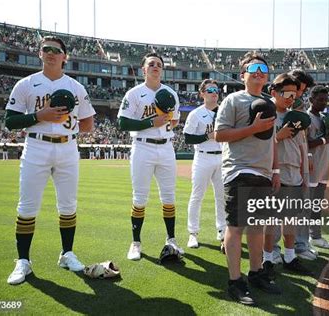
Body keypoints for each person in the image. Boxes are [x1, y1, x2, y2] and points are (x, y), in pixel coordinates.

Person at [5, 36, 96, 285]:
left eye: (56, 50)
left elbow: (89, 124)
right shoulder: (26, 84)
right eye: (46, 49)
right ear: (40, 54)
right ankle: (23, 261)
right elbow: (10, 121)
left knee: (68, 206)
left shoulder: (76, 87)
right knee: (27, 207)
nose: (51, 53)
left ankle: (67, 253)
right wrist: (39, 115)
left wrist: (72, 120)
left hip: (67, 148)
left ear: (64, 57)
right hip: (36, 145)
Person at [215, 52, 282, 306]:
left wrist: (275, 171)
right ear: (243, 75)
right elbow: (219, 135)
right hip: (239, 170)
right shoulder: (233, 100)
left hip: (263, 173)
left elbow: (273, 140)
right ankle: (235, 281)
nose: (258, 71)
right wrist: (253, 129)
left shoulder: (269, 103)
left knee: (257, 226)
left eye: (263, 68)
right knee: (236, 225)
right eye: (253, 67)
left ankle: (256, 273)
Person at [118, 52, 183, 260]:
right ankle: (135, 243)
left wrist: (166, 122)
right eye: (151, 64)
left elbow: (175, 121)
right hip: (142, 147)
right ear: (144, 69)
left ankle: (171, 240)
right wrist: (150, 123)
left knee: (169, 196)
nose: (155, 67)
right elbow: (123, 123)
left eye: (159, 65)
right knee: (140, 198)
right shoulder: (134, 93)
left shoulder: (170, 93)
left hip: (166, 147)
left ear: (162, 70)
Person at [264, 73, 312, 276]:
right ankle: (267, 258)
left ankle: (290, 256)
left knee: (290, 219)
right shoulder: (265, 113)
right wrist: (277, 136)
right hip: (274, 172)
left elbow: (301, 146)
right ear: (274, 92)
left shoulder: (297, 116)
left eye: (294, 94)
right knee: (271, 220)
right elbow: (259, 145)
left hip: (294, 173)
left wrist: (304, 176)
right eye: (286, 93)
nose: (291, 98)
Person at [183, 79, 226, 250]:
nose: (214, 92)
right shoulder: (196, 114)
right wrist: (207, 136)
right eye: (210, 90)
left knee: (222, 196)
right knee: (197, 196)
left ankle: (222, 230)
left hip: (222, 156)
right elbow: (188, 138)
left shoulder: (224, 112)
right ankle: (193, 233)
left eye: (216, 89)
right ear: (202, 93)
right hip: (203, 156)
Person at [288, 69, 320, 261]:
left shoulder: (298, 103)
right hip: (284, 157)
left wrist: (307, 153)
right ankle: (276, 250)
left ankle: (301, 245)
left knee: (302, 203)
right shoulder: (281, 101)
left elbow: (302, 135)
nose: (302, 93)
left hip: (300, 153)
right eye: (302, 88)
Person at [306, 85, 329, 250]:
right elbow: (306, 143)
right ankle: (302, 241)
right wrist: (325, 139)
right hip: (311, 168)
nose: (324, 103)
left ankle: (315, 237)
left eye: (326, 100)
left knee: (317, 206)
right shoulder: (306, 118)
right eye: (320, 100)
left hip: (324, 166)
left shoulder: (325, 118)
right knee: (306, 207)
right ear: (311, 100)